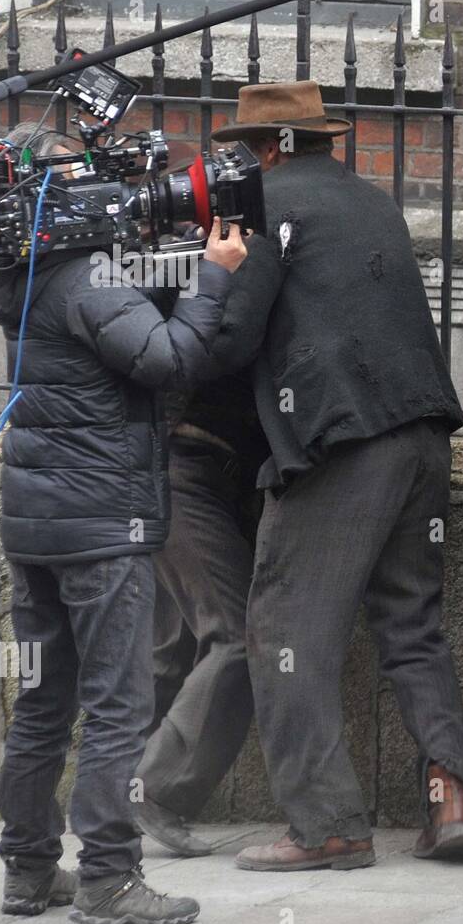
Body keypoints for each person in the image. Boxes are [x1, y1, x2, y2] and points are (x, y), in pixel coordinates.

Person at [202, 81, 463, 872]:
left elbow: (231, 339)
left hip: (342, 441)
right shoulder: (371, 199)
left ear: (265, 148)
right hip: (425, 431)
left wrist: (213, 279)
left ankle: (327, 826)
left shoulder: (261, 206)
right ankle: (451, 799)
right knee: (412, 628)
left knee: (285, 633)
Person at [0, 119, 248, 924]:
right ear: (57, 199)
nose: (103, 186)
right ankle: (107, 879)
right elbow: (169, 359)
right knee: (117, 706)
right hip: (103, 522)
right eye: (83, 175)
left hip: (35, 519)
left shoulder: (15, 272)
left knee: (43, 702)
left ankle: (28, 872)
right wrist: (212, 276)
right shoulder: (90, 279)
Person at [131, 349, 268, 857]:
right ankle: (157, 790)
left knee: (169, 648)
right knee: (239, 634)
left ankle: (109, 795)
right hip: (181, 468)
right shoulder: (207, 275)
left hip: (193, 470)